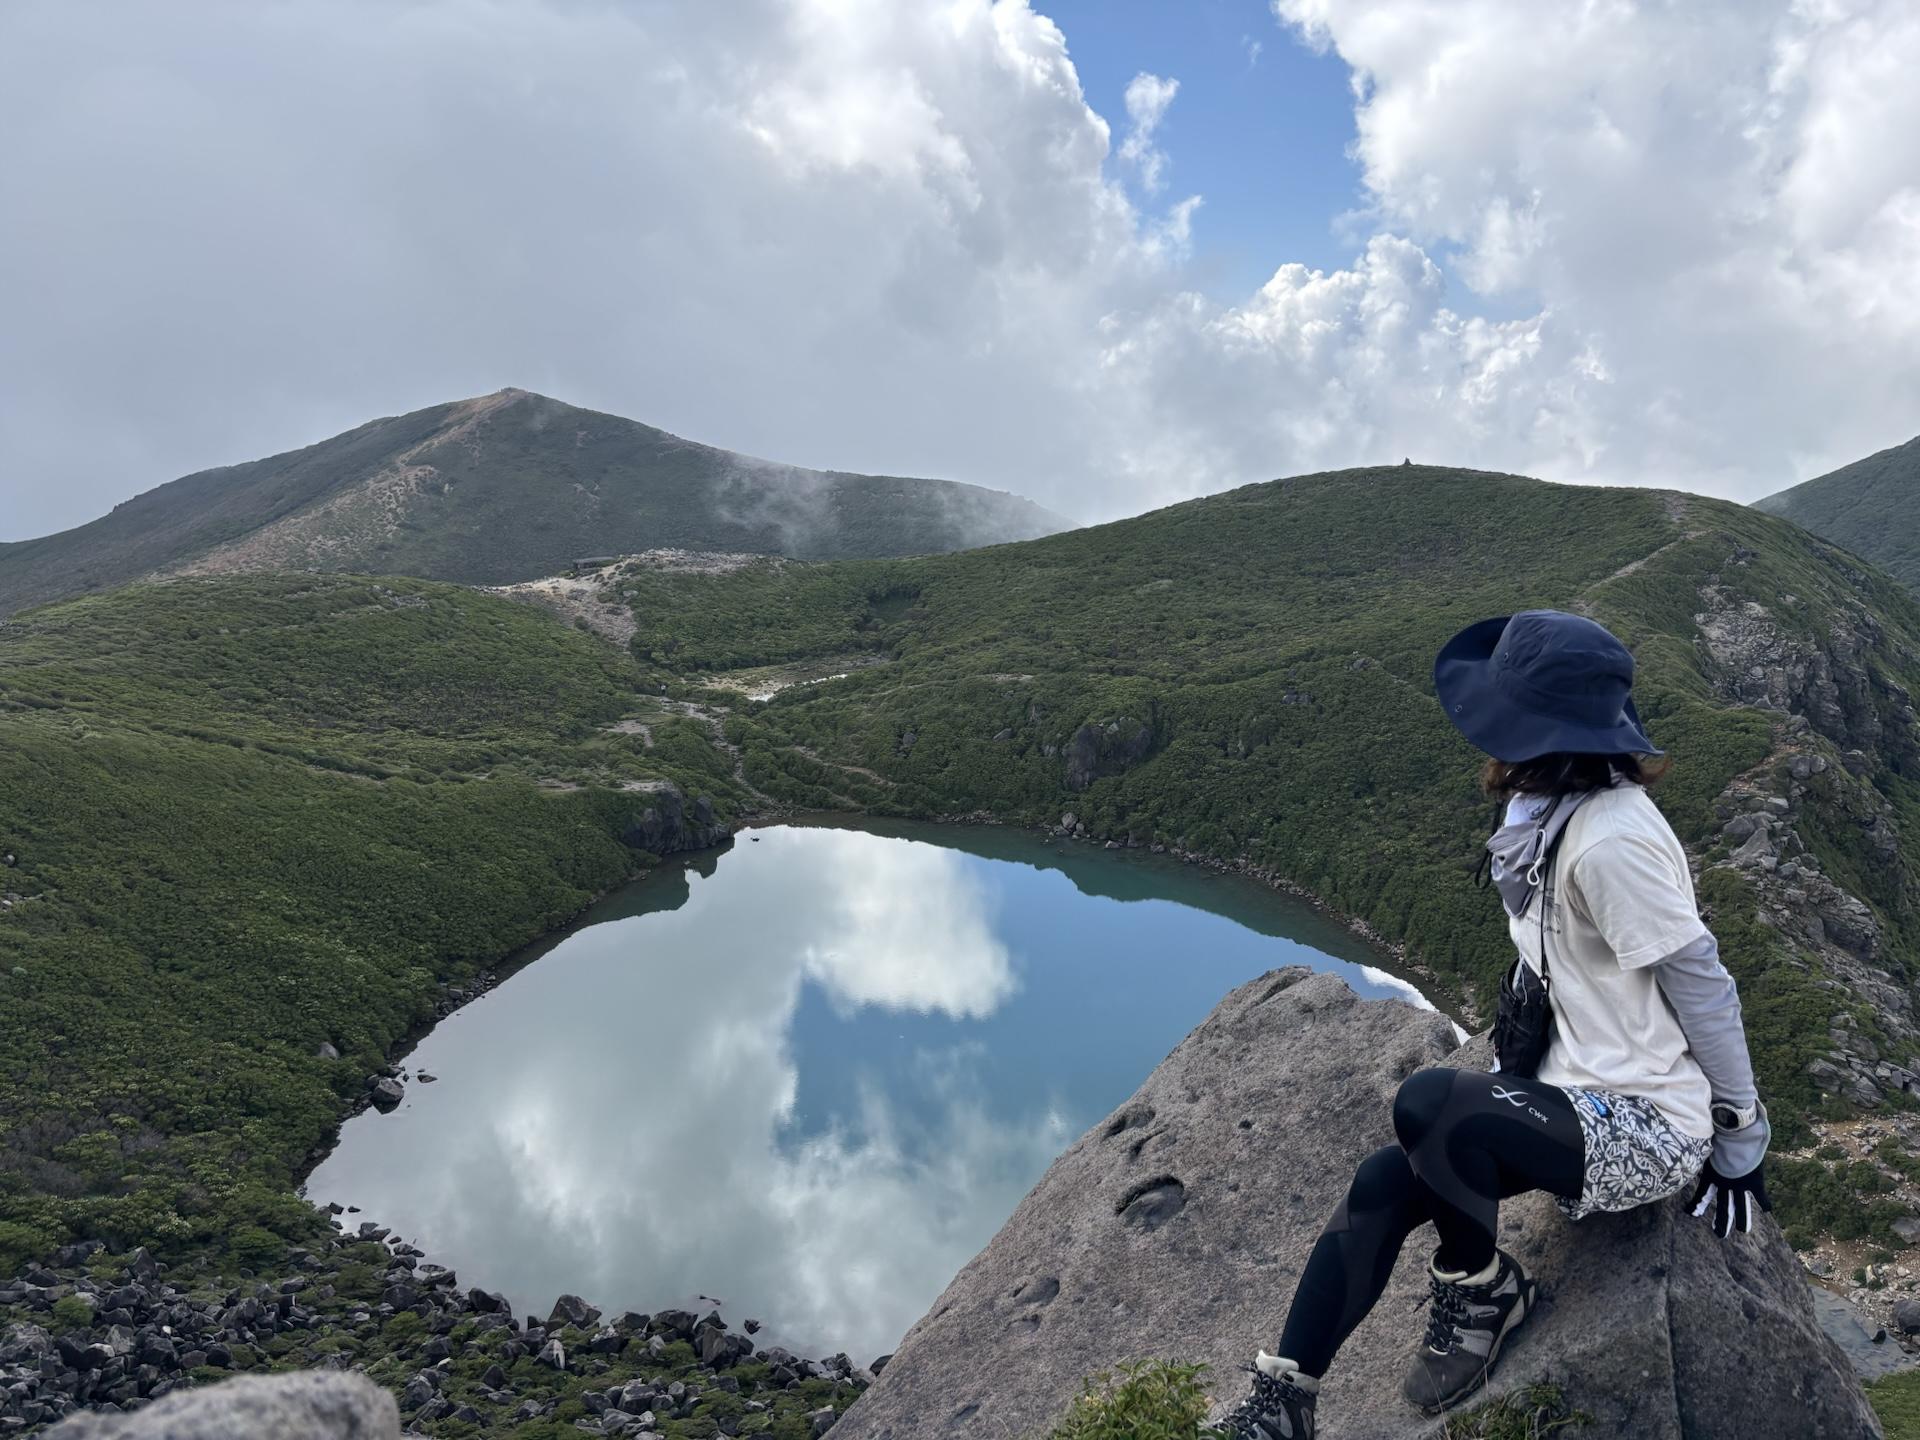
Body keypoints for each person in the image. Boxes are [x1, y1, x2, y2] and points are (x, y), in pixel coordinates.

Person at [1220, 610, 1773, 1439]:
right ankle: (1283, 1403)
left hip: (1645, 1121)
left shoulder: (1611, 841)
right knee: (1383, 1179)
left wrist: (1738, 1133)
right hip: (1565, 1088)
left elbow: (1703, 986)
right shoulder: (1541, 813)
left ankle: (1484, 1294)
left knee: (1430, 1104)